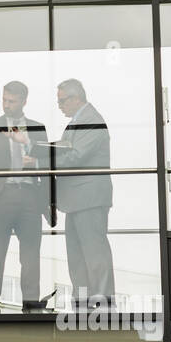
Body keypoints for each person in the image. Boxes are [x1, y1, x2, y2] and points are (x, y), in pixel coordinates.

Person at [0, 81, 50, 313]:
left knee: (31, 256)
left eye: (12, 101)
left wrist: (46, 202)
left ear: (24, 101)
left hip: (30, 198)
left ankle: (31, 305)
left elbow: (46, 164)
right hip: (0, 196)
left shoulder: (37, 129)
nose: (6, 105)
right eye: (4, 100)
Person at [51, 78, 114, 308]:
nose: (59, 106)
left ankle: (103, 304)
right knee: (77, 258)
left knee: (95, 255)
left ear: (76, 98)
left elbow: (75, 156)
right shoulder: (76, 122)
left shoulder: (92, 120)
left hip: (89, 199)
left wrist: (41, 159)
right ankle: (83, 303)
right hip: (76, 200)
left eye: (62, 101)